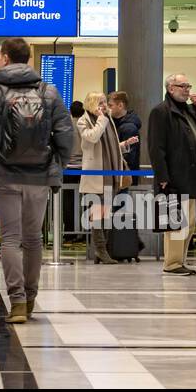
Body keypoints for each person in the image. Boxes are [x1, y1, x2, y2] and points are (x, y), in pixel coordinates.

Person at [0, 38, 72, 322]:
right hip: (39, 175)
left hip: (4, 175)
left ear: (5, 58)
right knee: (33, 239)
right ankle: (30, 298)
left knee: (10, 239)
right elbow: (66, 136)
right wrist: (55, 165)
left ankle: (16, 300)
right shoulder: (48, 91)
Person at [147, 74, 196, 277]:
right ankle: (173, 263)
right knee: (177, 223)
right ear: (170, 88)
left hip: (193, 177)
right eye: (182, 86)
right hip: (175, 178)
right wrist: (163, 176)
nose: (186, 89)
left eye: (188, 85)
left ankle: (180, 260)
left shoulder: (190, 111)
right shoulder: (161, 112)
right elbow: (156, 147)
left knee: (190, 223)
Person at [75, 91, 128, 266]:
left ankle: (103, 250)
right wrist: (102, 120)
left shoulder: (106, 120)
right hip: (95, 176)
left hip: (110, 175)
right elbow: (92, 138)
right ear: (91, 103)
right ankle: (100, 250)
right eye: (101, 102)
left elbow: (109, 146)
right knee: (97, 217)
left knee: (106, 217)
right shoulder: (85, 121)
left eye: (105, 102)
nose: (105, 106)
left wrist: (124, 146)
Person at [108, 91, 141, 170]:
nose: (108, 109)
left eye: (110, 105)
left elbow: (129, 158)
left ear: (120, 105)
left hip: (124, 174)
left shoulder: (129, 128)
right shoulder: (112, 122)